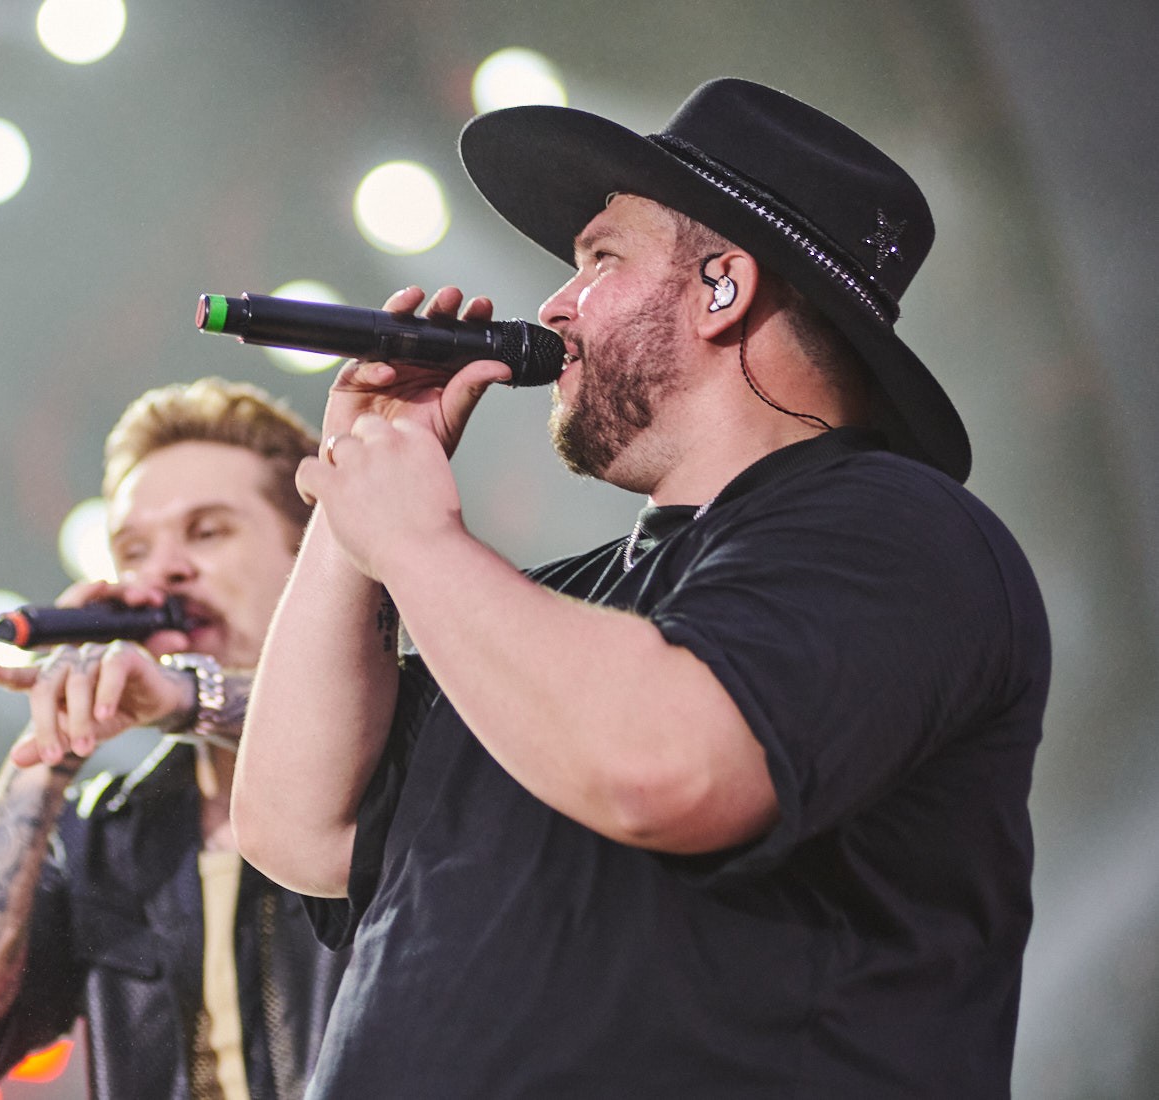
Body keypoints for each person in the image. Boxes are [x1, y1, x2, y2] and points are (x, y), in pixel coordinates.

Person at [232, 78, 1051, 1097]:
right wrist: (354, 504)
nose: (553, 305)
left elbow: (663, 766)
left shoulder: (905, 531)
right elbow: (296, 828)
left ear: (722, 285)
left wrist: (418, 543)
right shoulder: (554, 613)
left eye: (597, 259)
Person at [0, 377, 344, 1100]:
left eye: (208, 531)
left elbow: (338, 709)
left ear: (307, 548)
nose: (164, 570)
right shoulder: (111, 834)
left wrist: (193, 699)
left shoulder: (412, 730)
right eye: (134, 549)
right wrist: (47, 758)